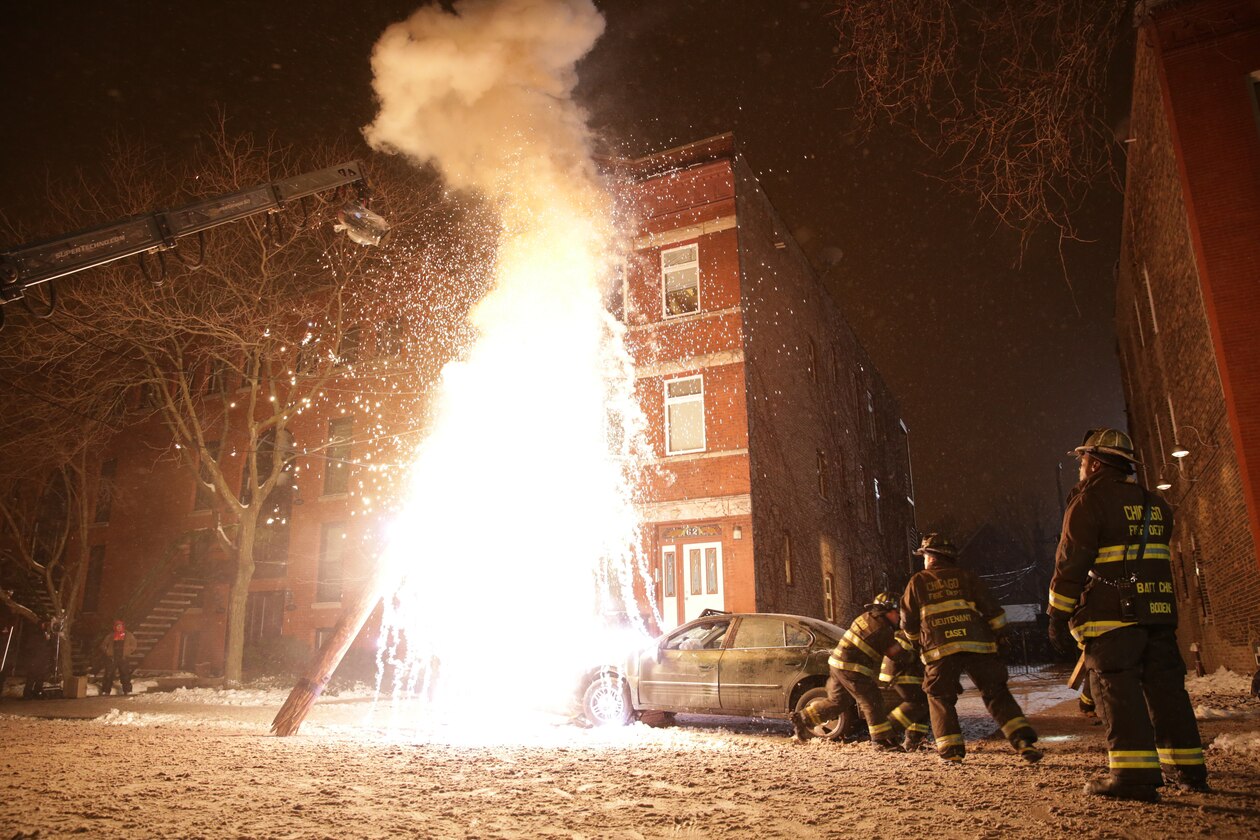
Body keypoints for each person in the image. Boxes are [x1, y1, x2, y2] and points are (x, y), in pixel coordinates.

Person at [1048, 428, 1208, 801]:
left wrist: (1057, 615)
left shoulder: (1088, 503)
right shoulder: (1155, 505)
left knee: (1119, 692)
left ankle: (1133, 777)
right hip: (1158, 614)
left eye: (1082, 461)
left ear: (1094, 462)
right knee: (1167, 693)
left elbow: (1070, 564)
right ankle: (1188, 769)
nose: (1080, 468)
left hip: (1112, 617)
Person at [901, 533, 1042, 764]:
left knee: (940, 696)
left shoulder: (918, 582)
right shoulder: (967, 577)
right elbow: (993, 612)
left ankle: (952, 751)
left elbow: (908, 621)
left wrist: (916, 641)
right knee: (996, 693)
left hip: (940, 649)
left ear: (931, 557)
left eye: (924, 556)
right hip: (979, 646)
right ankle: (1023, 742)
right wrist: (1002, 636)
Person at [791, 592, 909, 750]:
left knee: (838, 702)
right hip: (852, 668)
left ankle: (803, 718)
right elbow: (897, 655)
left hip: (837, 664)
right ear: (887, 611)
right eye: (897, 612)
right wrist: (913, 656)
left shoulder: (866, 617)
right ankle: (882, 740)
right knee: (872, 701)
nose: (899, 616)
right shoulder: (882, 628)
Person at [880, 629, 931, 751]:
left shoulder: (919, 629)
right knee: (917, 703)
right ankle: (886, 733)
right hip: (903, 671)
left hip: (902, 669)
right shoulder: (925, 629)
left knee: (924, 703)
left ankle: (914, 741)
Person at [99, 618, 137, 696]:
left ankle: (127, 690)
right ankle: (106, 691)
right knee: (109, 675)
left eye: (120, 626)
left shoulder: (128, 635)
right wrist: (107, 652)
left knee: (125, 674)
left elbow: (134, 644)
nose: (119, 627)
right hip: (112, 658)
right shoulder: (110, 636)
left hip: (123, 658)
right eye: (117, 626)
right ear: (115, 627)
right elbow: (103, 645)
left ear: (123, 626)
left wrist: (128, 651)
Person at [21, 620, 53, 700]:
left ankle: (37, 691)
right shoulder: (36, 634)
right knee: (32, 676)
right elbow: (33, 646)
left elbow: (47, 646)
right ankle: (27, 694)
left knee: (40, 676)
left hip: (41, 658)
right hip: (35, 659)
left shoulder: (44, 634)